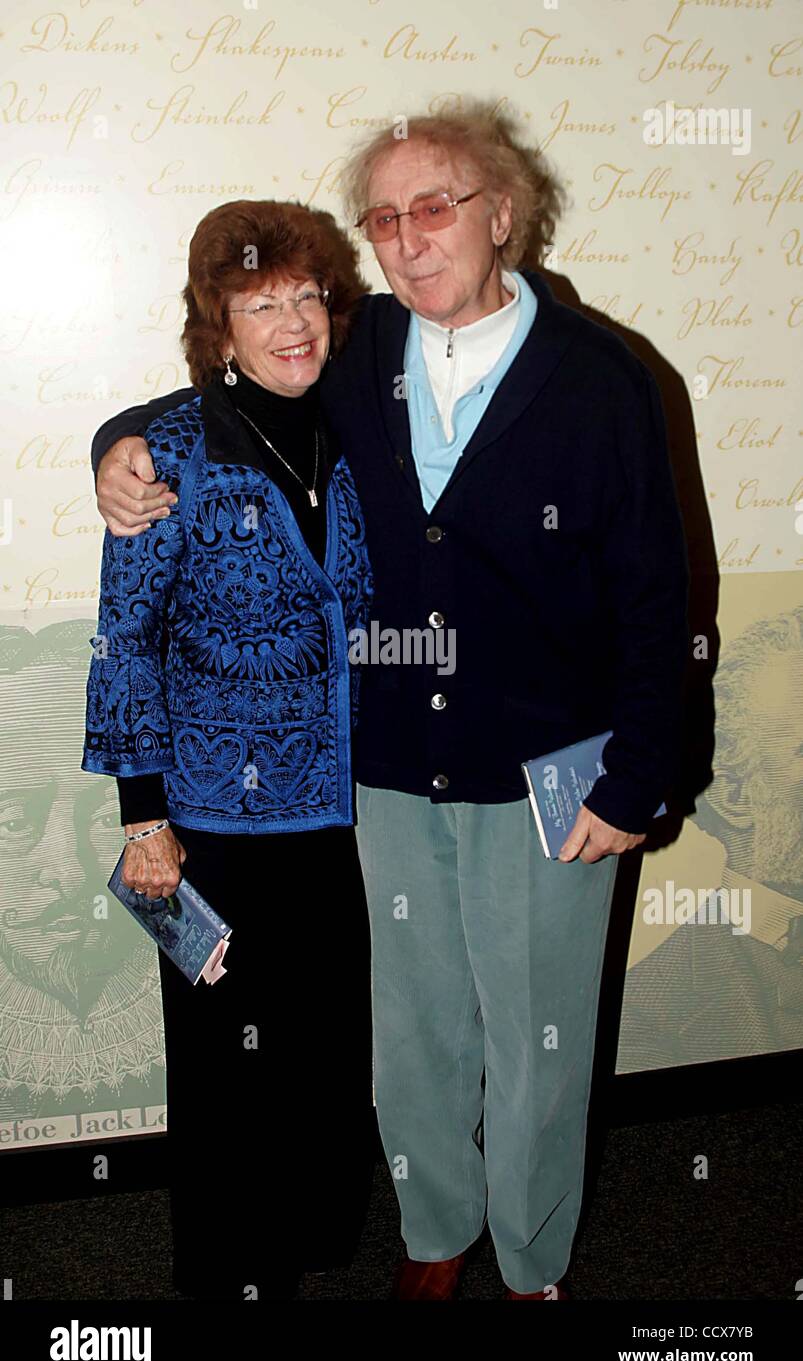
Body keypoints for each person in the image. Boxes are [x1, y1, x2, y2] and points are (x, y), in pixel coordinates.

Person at [89, 102, 690, 1300]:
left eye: (436, 206)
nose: (410, 239)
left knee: (535, 1040)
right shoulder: (364, 354)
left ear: (501, 216)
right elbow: (211, 415)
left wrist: (640, 775)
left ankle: (530, 1262)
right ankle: (432, 1239)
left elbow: (655, 589)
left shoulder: (595, 379)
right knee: (410, 1034)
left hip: (544, 773)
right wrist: (118, 446)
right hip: (379, 779)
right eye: (386, 218)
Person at [81, 199, 375, 1301]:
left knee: (318, 1048)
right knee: (225, 1065)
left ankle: (303, 1242)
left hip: (339, 805)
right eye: (262, 302)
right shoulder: (164, 452)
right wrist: (142, 820)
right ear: (219, 325)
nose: (292, 322)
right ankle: (224, 1274)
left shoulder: (356, 424)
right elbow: (126, 641)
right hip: (206, 818)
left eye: (307, 296)